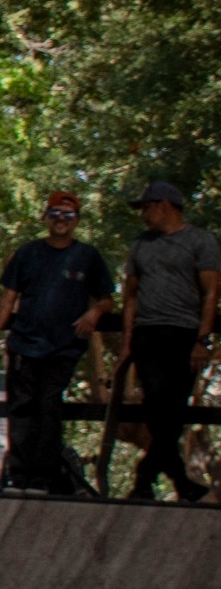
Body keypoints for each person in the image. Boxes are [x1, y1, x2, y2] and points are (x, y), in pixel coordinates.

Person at [0, 192, 113, 493]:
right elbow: (7, 299)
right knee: (21, 409)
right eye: (55, 214)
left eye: (68, 215)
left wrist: (94, 313)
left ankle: (42, 478)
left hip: (64, 347)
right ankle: (18, 475)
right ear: (45, 217)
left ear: (77, 221)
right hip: (24, 345)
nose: (61, 220)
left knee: (49, 407)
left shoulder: (87, 256)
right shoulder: (28, 253)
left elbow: (106, 299)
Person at [118, 181, 220, 503]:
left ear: (165, 205)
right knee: (156, 408)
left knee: (173, 409)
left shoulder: (200, 241)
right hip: (148, 334)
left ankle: (146, 478)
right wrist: (127, 341)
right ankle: (177, 482)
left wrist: (202, 339)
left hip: (183, 333)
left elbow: (211, 293)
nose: (143, 215)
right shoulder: (140, 245)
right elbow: (130, 295)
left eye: (146, 208)